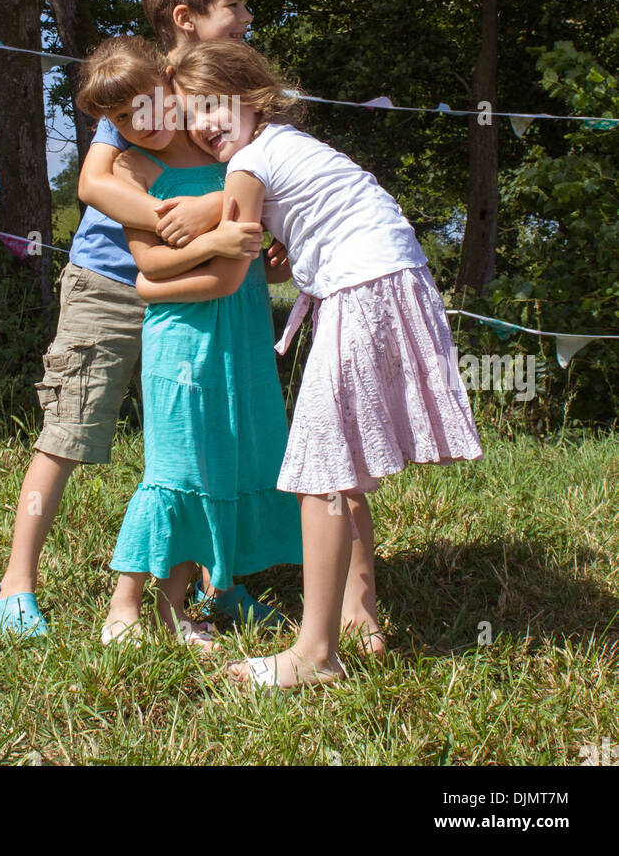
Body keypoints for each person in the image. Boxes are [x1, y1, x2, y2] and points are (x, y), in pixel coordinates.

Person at [135, 40, 483, 688]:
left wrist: (158, 276)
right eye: (192, 116)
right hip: (391, 277)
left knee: (321, 467)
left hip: (363, 286)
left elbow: (229, 265)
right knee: (338, 465)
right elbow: (320, 219)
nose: (205, 125)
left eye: (212, 106)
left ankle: (314, 655)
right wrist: (291, 254)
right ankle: (359, 618)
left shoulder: (248, 164)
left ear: (249, 94)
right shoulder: (285, 146)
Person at [0, 0, 271, 640]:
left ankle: (212, 585)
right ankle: (15, 585)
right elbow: (91, 183)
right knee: (71, 428)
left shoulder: (215, 93)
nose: (245, 21)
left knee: (200, 437)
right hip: (111, 283)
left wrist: (226, 230)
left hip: (197, 293)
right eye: (233, 8)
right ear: (185, 17)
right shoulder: (137, 85)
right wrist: (181, 221)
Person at [76, 36, 302, 647]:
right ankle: (131, 607)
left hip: (246, 331)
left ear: (170, 80)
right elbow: (148, 265)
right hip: (181, 336)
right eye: (120, 119)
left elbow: (264, 261)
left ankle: (219, 588)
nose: (135, 125)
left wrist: (269, 257)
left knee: (232, 454)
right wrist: (214, 245)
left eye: (143, 106)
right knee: (177, 466)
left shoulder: (233, 152)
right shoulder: (133, 169)